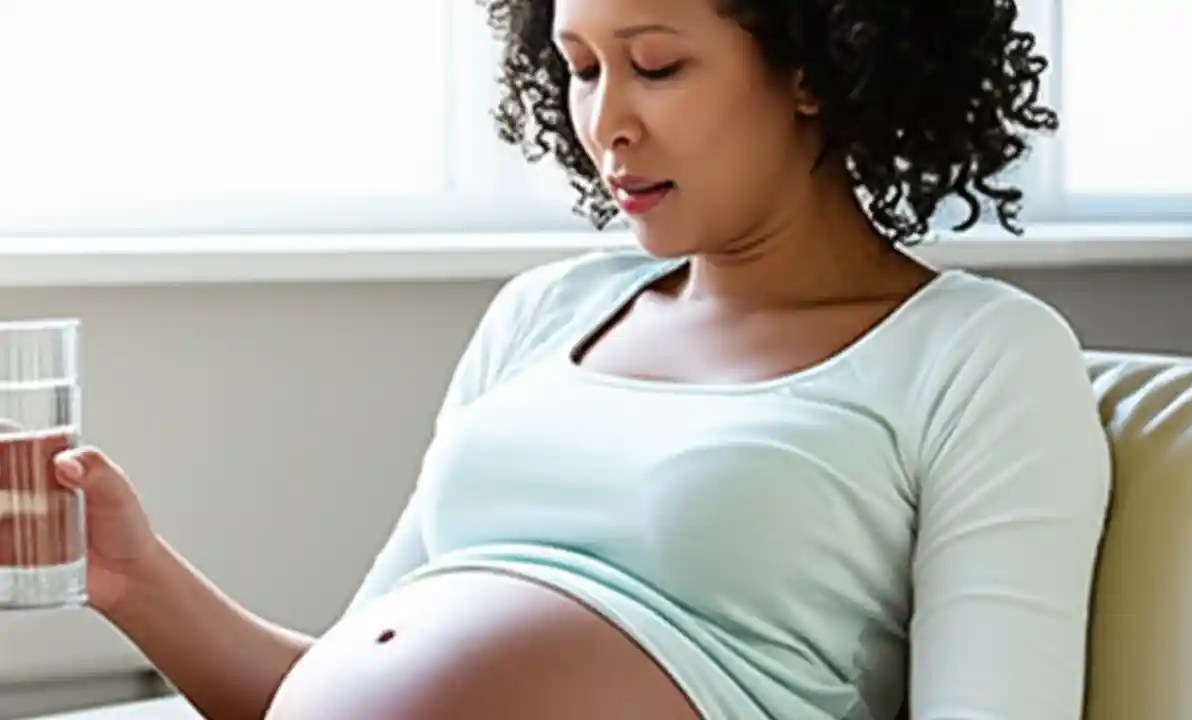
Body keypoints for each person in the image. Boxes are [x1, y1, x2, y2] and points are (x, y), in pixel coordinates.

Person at [53, 0, 1112, 718]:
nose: (604, 123)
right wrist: (135, 578)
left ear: (813, 64)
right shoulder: (544, 314)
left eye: (656, 65)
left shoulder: (978, 355)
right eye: (579, 69)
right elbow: (323, 686)